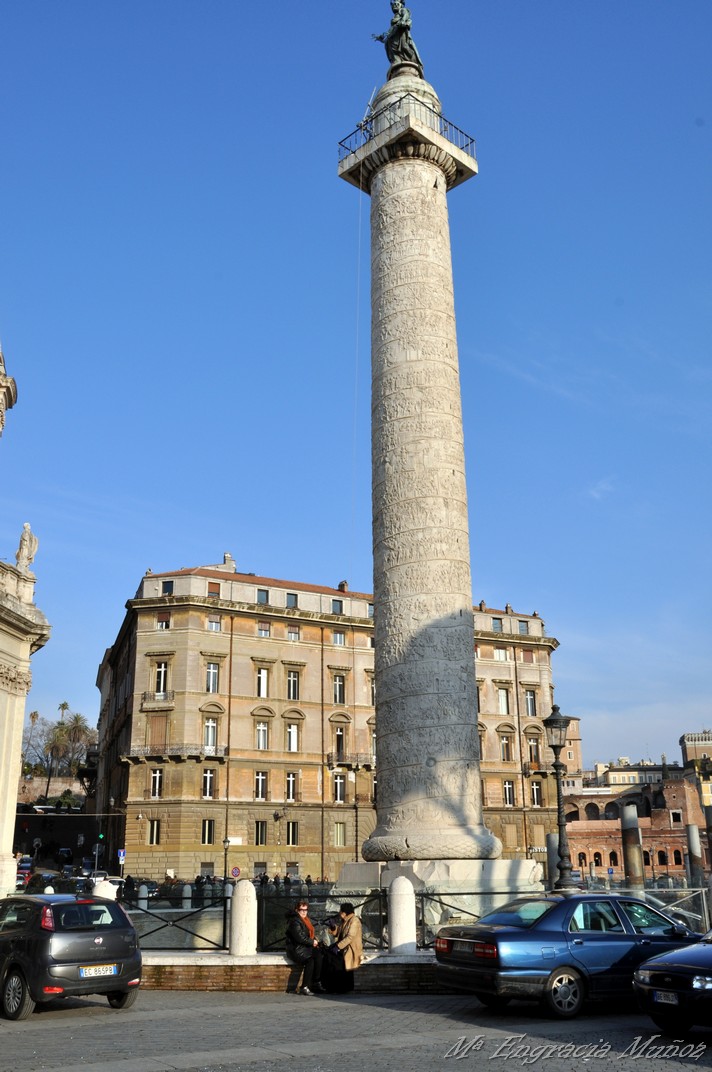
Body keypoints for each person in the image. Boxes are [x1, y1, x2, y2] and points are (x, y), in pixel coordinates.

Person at [285, 901, 324, 996]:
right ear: (296, 910)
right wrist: (312, 942)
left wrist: (314, 940)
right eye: (301, 910)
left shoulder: (305, 920)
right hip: (296, 949)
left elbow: (307, 934)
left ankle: (316, 982)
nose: (304, 912)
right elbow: (300, 937)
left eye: (305, 910)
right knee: (310, 961)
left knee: (319, 955)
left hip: (304, 947)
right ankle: (304, 987)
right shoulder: (295, 921)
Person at [326, 903, 363, 993]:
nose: (339, 913)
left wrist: (338, 947)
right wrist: (333, 927)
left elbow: (350, 937)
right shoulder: (346, 921)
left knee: (340, 965)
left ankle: (343, 988)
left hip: (350, 949)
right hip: (344, 947)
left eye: (340, 911)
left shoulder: (354, 920)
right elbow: (339, 933)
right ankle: (336, 986)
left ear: (344, 912)